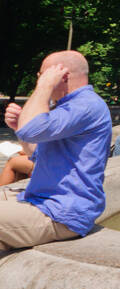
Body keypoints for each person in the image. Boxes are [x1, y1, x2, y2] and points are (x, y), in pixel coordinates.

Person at [0, 51, 112, 250]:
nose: (38, 78)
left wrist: (44, 86)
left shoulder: (85, 105)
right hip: (41, 200)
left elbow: (31, 129)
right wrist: (19, 128)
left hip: (60, 212)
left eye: (42, 74)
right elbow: (35, 153)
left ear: (63, 76)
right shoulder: (69, 107)